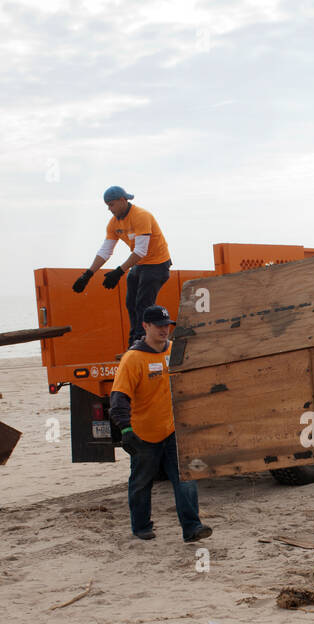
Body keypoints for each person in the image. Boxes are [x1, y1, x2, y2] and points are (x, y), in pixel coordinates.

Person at [109, 305, 212, 542]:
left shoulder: (174, 351)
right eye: (159, 326)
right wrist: (126, 430)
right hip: (143, 433)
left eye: (167, 325)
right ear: (145, 326)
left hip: (172, 430)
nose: (164, 330)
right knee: (141, 482)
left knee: (185, 478)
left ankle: (192, 528)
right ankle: (141, 526)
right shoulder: (133, 359)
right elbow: (118, 399)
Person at [71, 186, 172, 347]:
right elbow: (105, 251)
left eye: (111, 204)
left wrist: (118, 272)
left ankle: (142, 341)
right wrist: (87, 275)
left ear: (122, 201)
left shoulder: (141, 216)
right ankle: (135, 339)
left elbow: (140, 251)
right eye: (107, 205)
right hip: (140, 264)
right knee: (130, 302)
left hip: (157, 264)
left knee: (143, 303)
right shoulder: (113, 223)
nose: (109, 209)